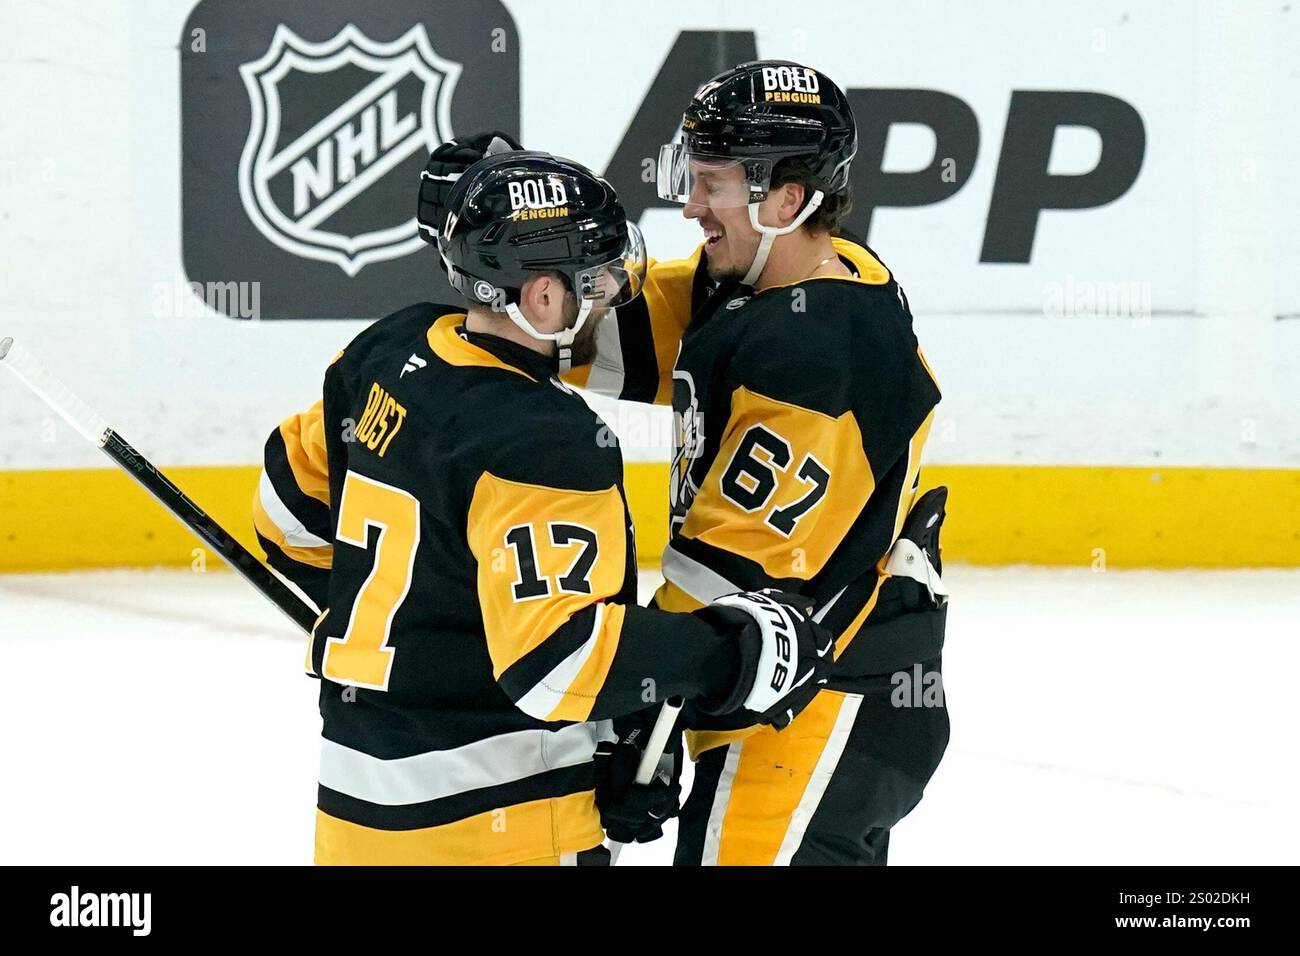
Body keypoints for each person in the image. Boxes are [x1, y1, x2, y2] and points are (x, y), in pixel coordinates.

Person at [252, 149, 833, 865]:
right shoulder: (543, 441)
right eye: (598, 276)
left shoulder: (392, 348)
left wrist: (402, 636)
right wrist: (735, 648)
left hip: (352, 819)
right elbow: (559, 659)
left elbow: (285, 510)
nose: (619, 288)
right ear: (542, 300)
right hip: (503, 826)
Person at [573, 60, 952, 865]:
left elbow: (727, 578)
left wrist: (637, 720)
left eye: (712, 184)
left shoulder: (822, 350)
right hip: (803, 691)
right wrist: (499, 271)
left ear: (787, 199)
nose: (690, 205)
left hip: (816, 715)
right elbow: (590, 336)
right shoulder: (773, 278)